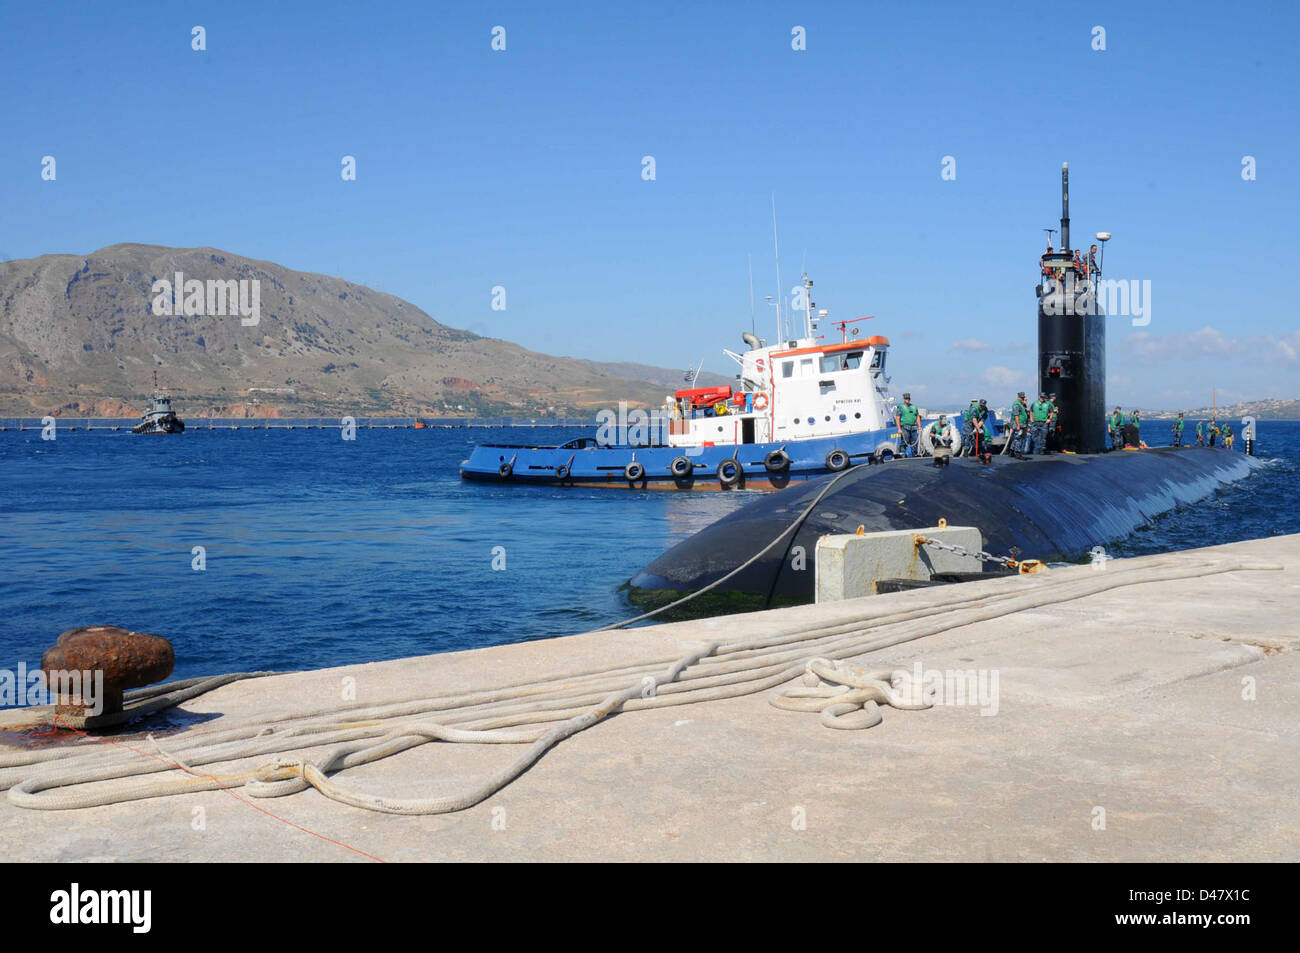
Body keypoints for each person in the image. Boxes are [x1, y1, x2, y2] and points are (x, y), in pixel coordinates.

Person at [895, 392, 921, 457]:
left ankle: (914, 454)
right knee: (904, 441)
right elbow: (897, 418)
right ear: (904, 399)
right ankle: (902, 454)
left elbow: (917, 417)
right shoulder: (901, 407)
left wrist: (919, 426)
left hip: (914, 427)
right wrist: (899, 428)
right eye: (906, 399)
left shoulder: (914, 407)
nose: (907, 400)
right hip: (905, 426)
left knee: (914, 442)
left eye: (908, 399)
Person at [1010, 391, 1029, 457]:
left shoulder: (1021, 404)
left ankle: (1012, 451)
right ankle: (1018, 452)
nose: (1023, 399)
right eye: (1021, 398)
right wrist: (1018, 425)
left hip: (1022, 423)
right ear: (1018, 397)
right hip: (1019, 424)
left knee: (1016, 438)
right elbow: (1016, 415)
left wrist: (1025, 403)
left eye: (1023, 397)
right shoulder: (1017, 404)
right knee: (1019, 438)